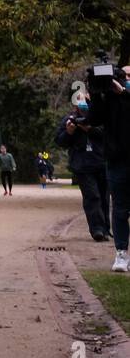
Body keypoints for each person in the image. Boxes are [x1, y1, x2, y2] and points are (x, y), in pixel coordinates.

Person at [85, 65, 130, 271]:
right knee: (119, 208)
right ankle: (121, 253)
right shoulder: (109, 100)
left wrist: (124, 93)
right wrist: (95, 94)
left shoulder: (124, 96)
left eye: (127, 75)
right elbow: (94, 119)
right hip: (116, 161)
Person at [56, 101, 109, 241]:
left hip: (101, 162)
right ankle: (97, 229)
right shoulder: (69, 120)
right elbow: (59, 141)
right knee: (92, 196)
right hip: (82, 166)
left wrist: (90, 129)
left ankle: (105, 229)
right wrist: (69, 132)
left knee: (104, 197)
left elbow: (109, 136)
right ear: (75, 106)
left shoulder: (100, 117)